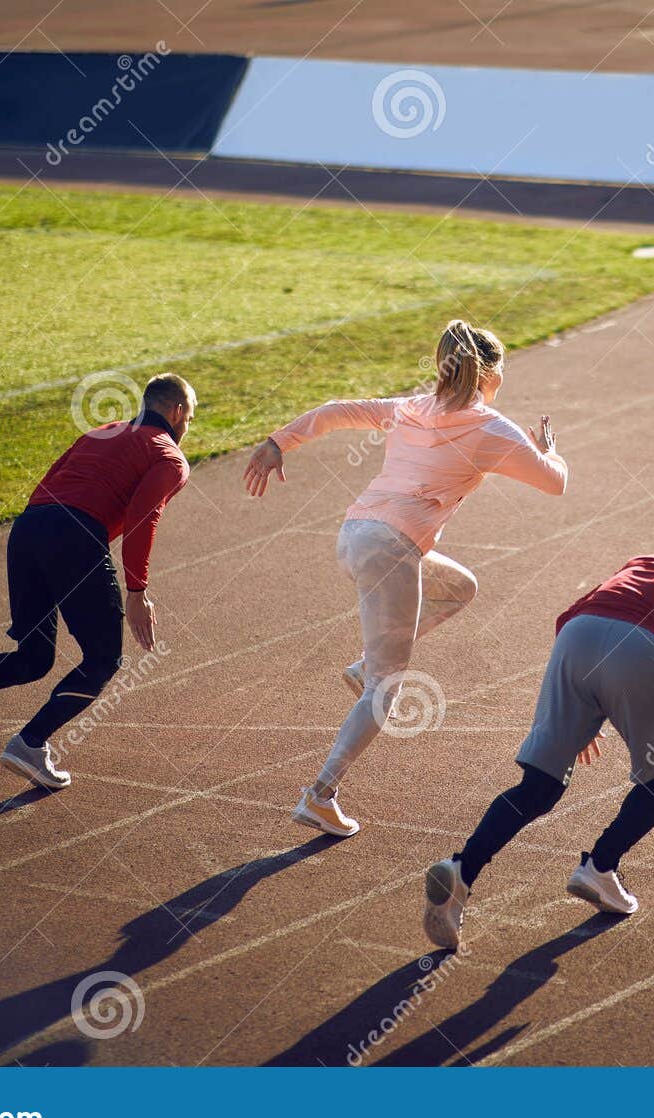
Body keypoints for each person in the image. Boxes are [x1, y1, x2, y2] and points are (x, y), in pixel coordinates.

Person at [242, 319, 567, 838]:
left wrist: (279, 442)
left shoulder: (411, 406)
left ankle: (364, 666)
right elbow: (554, 484)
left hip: (356, 536)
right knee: (387, 688)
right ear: (491, 373)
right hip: (391, 550)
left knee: (460, 587)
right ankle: (320, 794)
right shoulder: (493, 428)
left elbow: (333, 412)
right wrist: (548, 450)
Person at [422, 512, 654, 950]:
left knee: (540, 785)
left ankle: (461, 870)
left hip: (575, 637)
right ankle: (600, 867)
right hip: (637, 648)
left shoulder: (649, 561)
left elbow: (569, 615)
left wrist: (583, 707)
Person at [0, 373, 195, 789]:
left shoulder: (102, 431)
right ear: (177, 412)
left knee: (35, 656)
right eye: (190, 418)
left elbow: (52, 479)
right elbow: (142, 520)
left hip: (28, 529)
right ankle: (30, 743)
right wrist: (137, 592)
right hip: (74, 536)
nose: (187, 429)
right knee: (103, 659)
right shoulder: (169, 457)